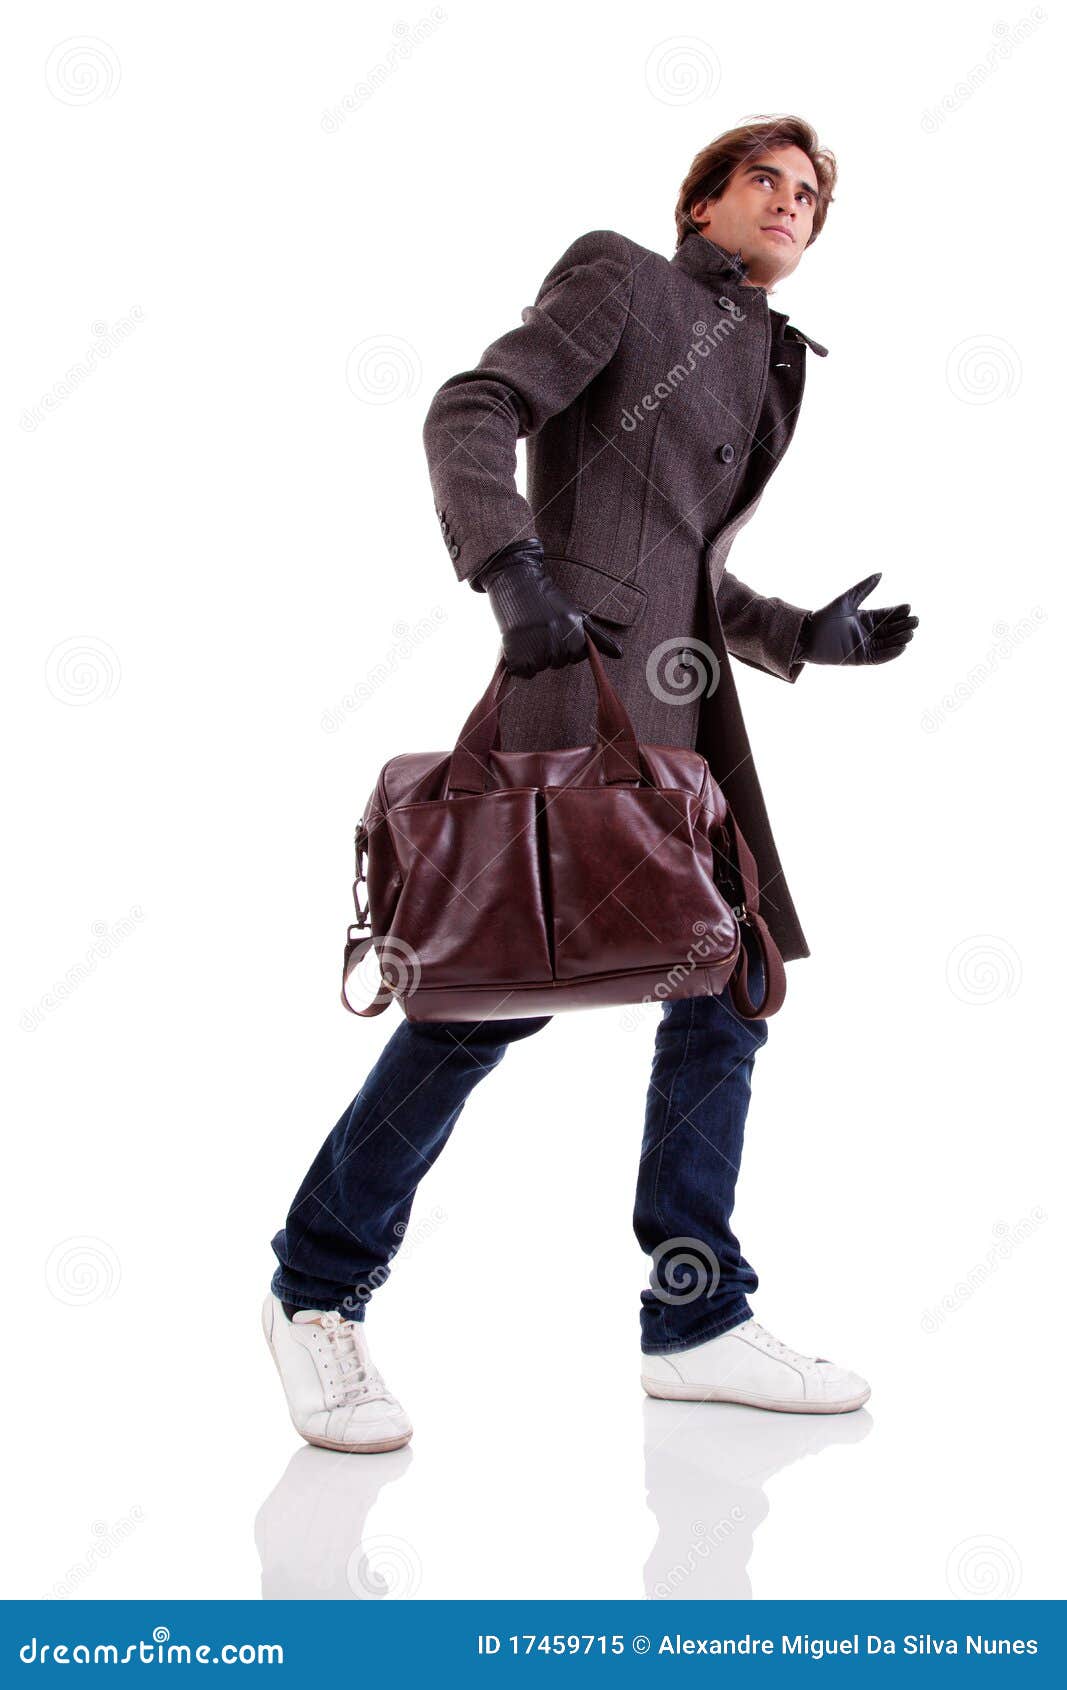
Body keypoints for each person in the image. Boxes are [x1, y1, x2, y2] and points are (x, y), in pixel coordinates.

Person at [264, 115, 918, 1451]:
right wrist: (511, 569)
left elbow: (686, 566)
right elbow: (475, 405)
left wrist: (807, 635)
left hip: (688, 721)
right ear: (707, 198)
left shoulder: (766, 357)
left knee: (729, 987)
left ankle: (694, 1313)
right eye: (768, 183)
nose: (792, 206)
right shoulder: (621, 277)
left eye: (814, 197)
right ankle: (315, 1290)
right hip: (575, 690)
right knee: (482, 1002)